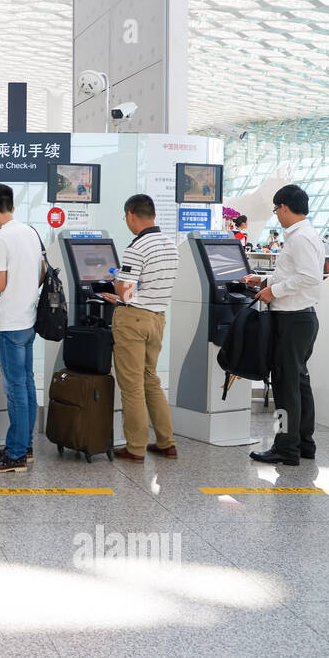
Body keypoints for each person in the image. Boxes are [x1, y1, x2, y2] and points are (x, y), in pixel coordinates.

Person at [242, 184, 324, 466]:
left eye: (276, 209)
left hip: (291, 319)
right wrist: (263, 281)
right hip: (301, 318)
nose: (277, 214)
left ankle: (285, 447)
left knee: (285, 386)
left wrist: (272, 292)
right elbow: (295, 274)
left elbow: (310, 277)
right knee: (299, 383)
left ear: (284, 207)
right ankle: (304, 443)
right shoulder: (306, 234)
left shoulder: (300, 238)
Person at [101, 194, 179, 463]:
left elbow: (125, 290)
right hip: (157, 318)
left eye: (126, 217)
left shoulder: (137, 247)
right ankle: (166, 442)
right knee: (151, 380)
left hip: (133, 320)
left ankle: (135, 447)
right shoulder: (170, 245)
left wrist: (116, 287)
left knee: (132, 385)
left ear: (131, 214)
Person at [0, 183, 43, 473]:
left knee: (15, 388)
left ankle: (14, 456)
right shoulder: (30, 232)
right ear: (12, 206)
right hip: (28, 317)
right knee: (26, 383)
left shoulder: (0, 238)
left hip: (11, 321)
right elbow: (40, 273)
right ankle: (24, 446)